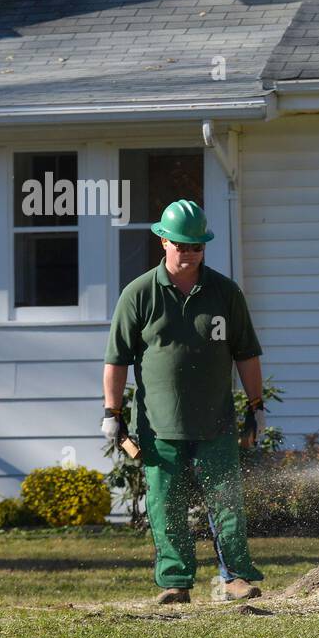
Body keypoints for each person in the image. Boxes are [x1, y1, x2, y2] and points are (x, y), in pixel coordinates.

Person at [102, 200, 267, 604]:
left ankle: (235, 579)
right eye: (181, 244)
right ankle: (175, 582)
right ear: (163, 241)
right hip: (158, 426)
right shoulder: (138, 294)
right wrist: (112, 414)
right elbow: (116, 360)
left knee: (227, 502)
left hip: (217, 421)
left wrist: (257, 407)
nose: (188, 252)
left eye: (196, 245)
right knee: (165, 506)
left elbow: (246, 354)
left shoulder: (225, 293)